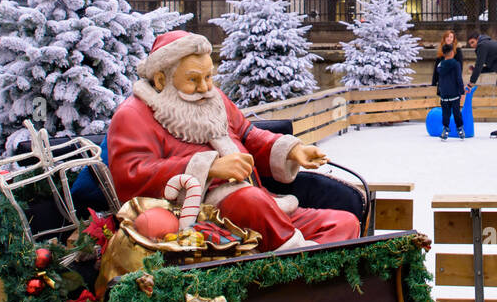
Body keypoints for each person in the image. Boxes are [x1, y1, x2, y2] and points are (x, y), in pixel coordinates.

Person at [107, 31, 361, 252]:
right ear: (162, 79)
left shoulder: (214, 100)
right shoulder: (133, 115)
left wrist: (292, 150)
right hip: (199, 223)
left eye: (209, 77)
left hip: (262, 211)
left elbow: (249, 135)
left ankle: (303, 276)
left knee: (343, 224)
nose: (206, 87)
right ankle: (293, 263)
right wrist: (209, 167)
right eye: (194, 79)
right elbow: (133, 176)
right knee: (247, 199)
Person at [434, 43, 466, 141]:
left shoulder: (440, 65)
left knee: (445, 113)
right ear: (452, 53)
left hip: (444, 94)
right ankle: (460, 129)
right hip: (454, 94)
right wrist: (462, 90)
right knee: (456, 112)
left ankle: (446, 129)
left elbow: (439, 78)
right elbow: (458, 78)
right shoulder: (456, 64)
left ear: (443, 54)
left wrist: (439, 90)